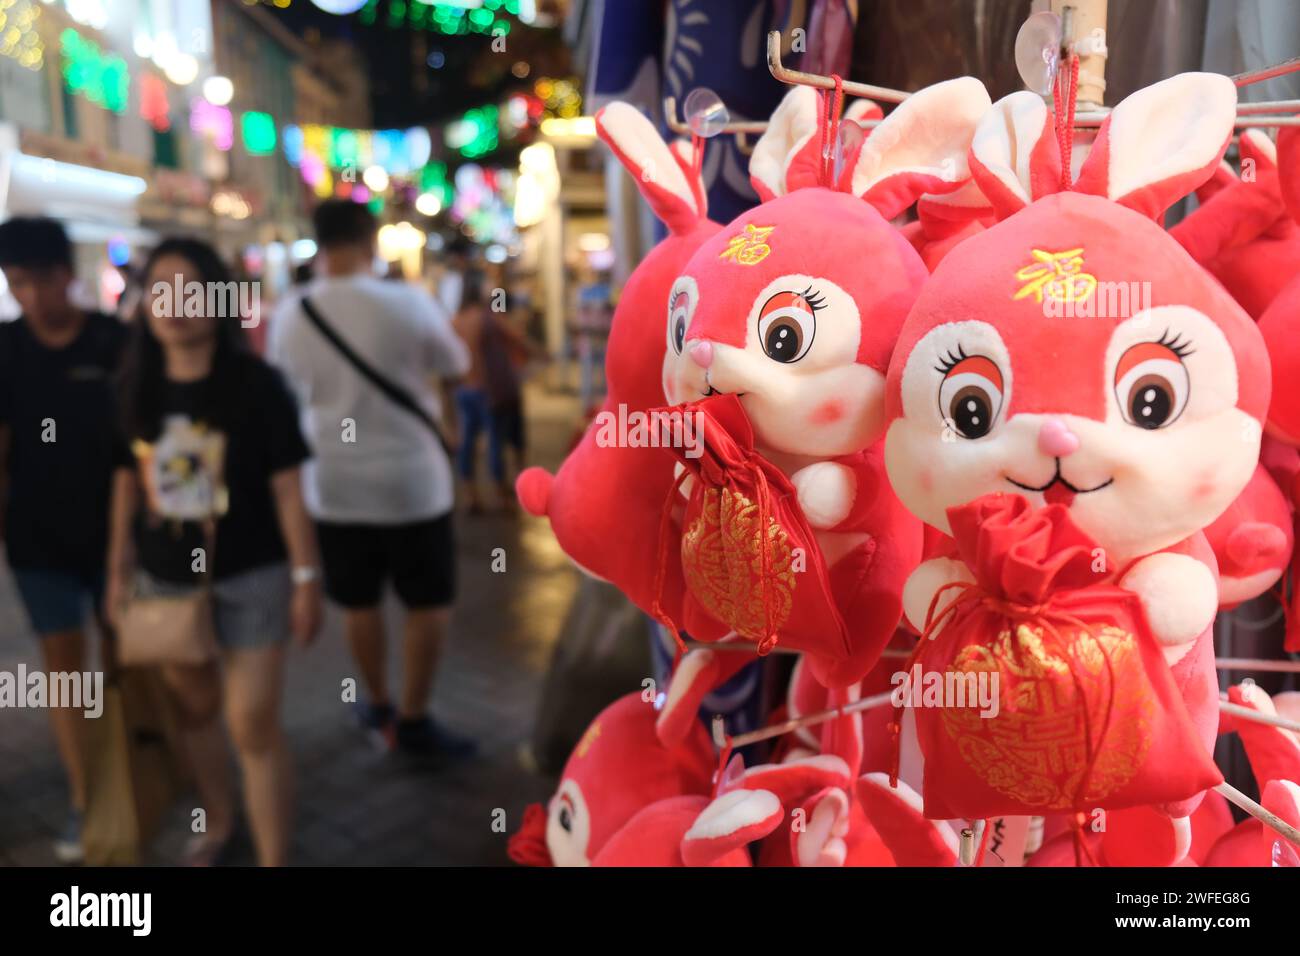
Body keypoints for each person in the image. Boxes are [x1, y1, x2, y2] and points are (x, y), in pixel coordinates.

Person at [105, 238, 322, 866]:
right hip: (166, 578)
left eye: (192, 288)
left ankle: (275, 854)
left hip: (254, 572)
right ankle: (219, 818)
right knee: (195, 712)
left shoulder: (258, 386)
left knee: (252, 720)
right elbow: (124, 483)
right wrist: (116, 572)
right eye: (162, 289)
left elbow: (287, 490)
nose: (177, 305)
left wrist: (307, 578)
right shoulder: (134, 386)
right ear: (145, 302)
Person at [268, 199, 473, 764]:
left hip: (332, 483)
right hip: (413, 481)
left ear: (320, 243)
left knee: (358, 602)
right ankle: (414, 717)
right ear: (369, 242)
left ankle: (377, 703)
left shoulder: (291, 313)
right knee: (427, 602)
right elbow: (456, 364)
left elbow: (285, 388)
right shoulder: (408, 302)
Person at [0, 217, 129, 862]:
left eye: (36, 281)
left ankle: (136, 771)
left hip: (118, 538)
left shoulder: (114, 341)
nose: (28, 297)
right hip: (38, 541)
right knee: (64, 672)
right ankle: (85, 797)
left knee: (126, 661)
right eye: (14, 283)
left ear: (64, 276)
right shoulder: (6, 349)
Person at [452, 270, 543, 513]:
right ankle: (502, 494)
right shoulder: (488, 318)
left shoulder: (455, 320)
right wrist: (542, 354)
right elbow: (518, 340)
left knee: (468, 443)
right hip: (490, 389)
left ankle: (471, 494)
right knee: (496, 442)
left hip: (464, 389)